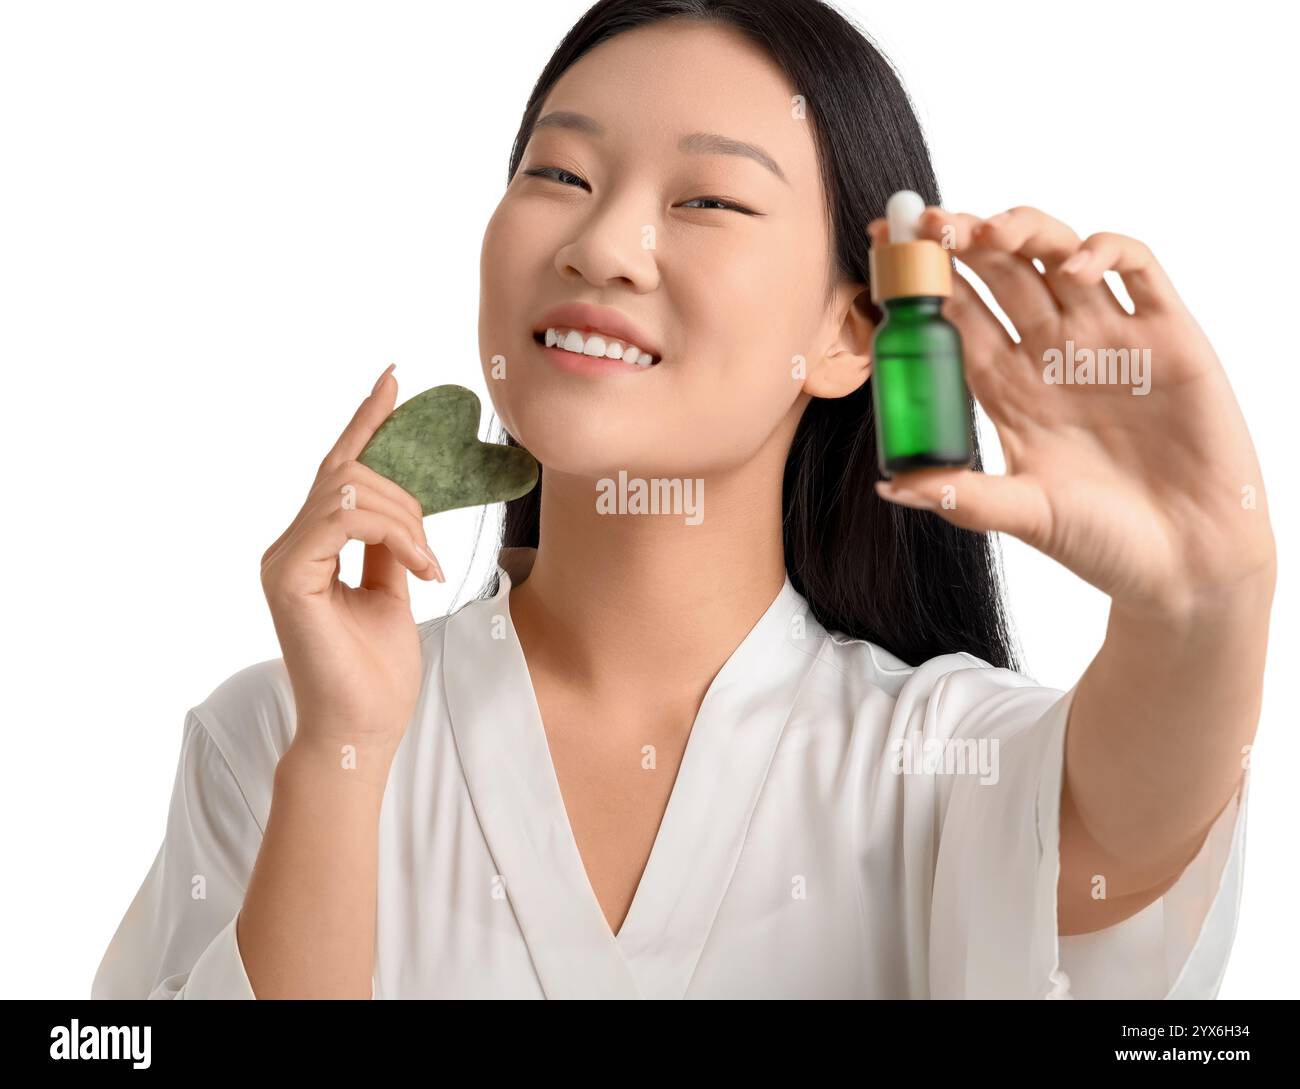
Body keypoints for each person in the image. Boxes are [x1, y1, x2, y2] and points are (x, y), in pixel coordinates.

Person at [91, 0, 1273, 999]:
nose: (604, 244)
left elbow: (1131, 833)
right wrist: (339, 759)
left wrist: (1208, 600)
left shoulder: (937, 761)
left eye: (707, 200)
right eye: (558, 173)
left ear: (850, 332)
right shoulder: (277, 733)